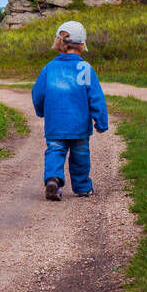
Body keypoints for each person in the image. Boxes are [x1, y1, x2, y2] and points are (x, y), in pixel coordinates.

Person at [30, 20, 109, 201]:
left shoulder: (49, 68)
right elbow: (95, 97)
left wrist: (41, 110)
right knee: (80, 156)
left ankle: (53, 180)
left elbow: (38, 94)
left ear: (59, 42)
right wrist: (101, 121)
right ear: (83, 45)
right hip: (79, 125)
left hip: (55, 124)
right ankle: (82, 188)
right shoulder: (84, 68)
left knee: (55, 152)